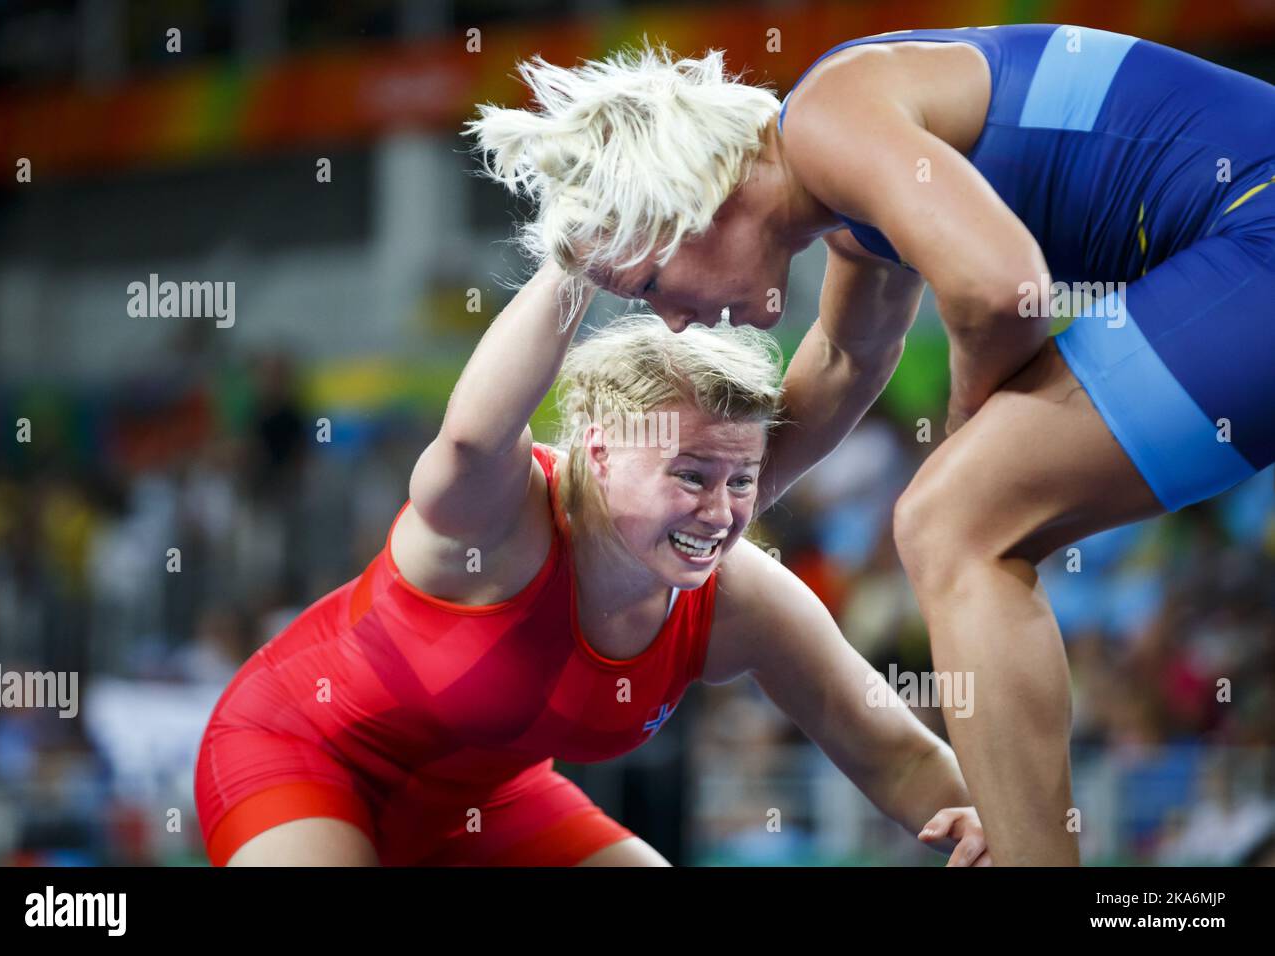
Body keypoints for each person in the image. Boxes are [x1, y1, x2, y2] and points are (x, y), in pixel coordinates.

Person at [466, 25, 1275, 864]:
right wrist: (685, 520)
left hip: (1258, 229)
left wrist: (968, 430)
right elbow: (847, 361)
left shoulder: (829, 116)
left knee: (952, 521)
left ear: (689, 205)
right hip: (1244, 240)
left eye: (650, 286)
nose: (672, 321)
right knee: (956, 515)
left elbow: (1003, 289)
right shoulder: (847, 186)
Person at [194, 261, 988, 866]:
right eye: (690, 477)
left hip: (486, 797)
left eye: (742, 481)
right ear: (598, 453)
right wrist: (575, 256)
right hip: (298, 753)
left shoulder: (738, 595)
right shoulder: (500, 516)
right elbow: (471, 437)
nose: (719, 515)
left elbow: (896, 751)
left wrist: (1002, 832)